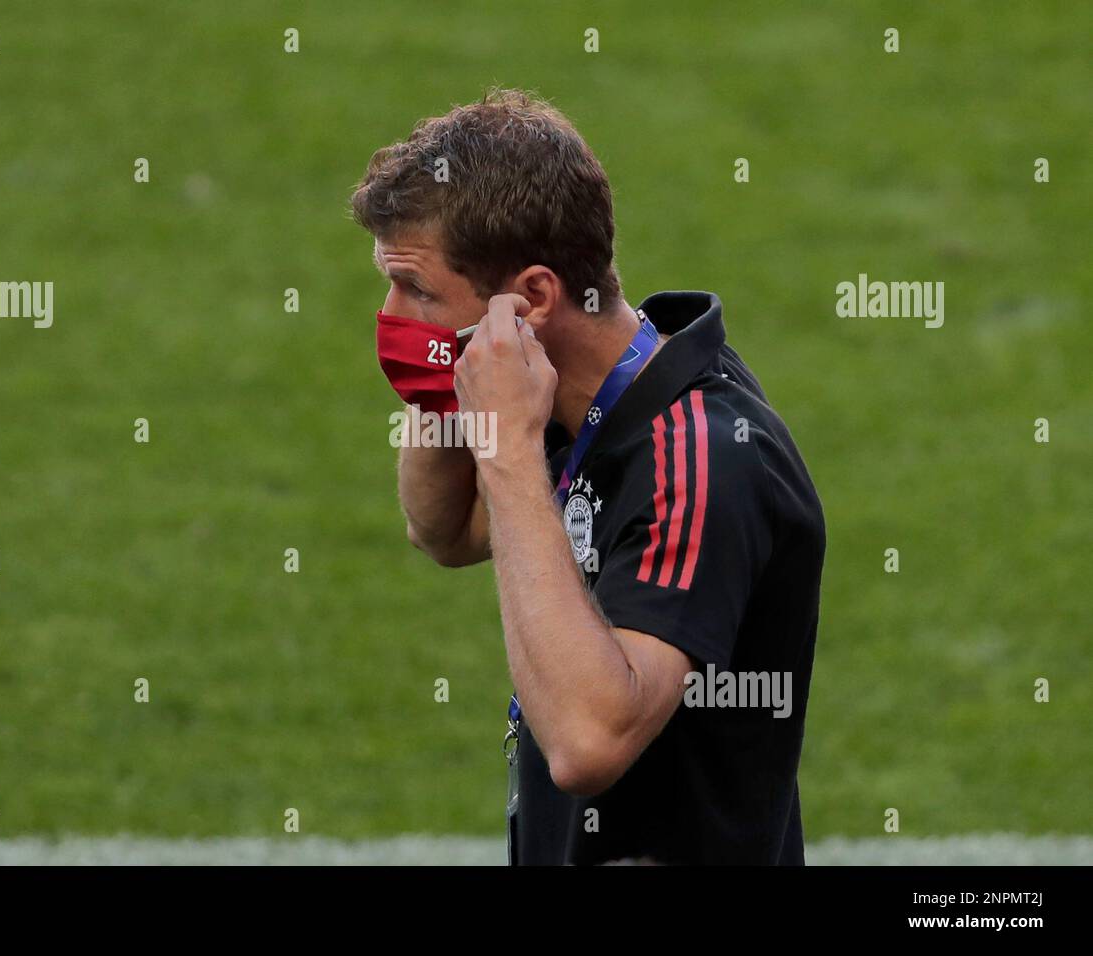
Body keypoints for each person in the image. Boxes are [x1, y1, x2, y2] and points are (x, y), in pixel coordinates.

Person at [352, 89, 826, 865]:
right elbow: (443, 529)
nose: (393, 314)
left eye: (419, 291)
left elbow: (585, 741)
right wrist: (437, 384)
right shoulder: (582, 393)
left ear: (532, 298)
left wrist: (505, 448)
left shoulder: (704, 456)